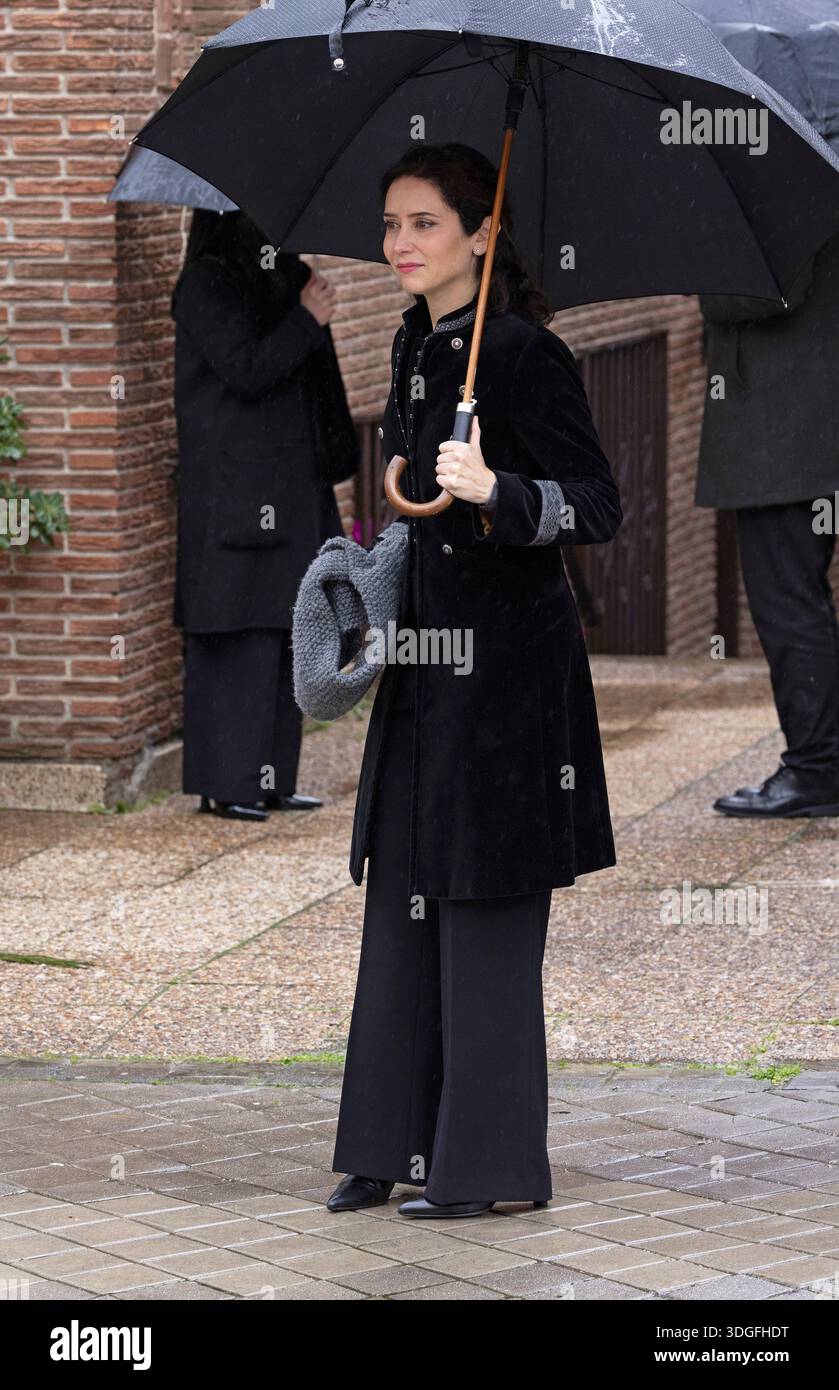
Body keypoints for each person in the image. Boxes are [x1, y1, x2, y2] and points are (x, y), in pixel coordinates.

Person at [326, 143, 623, 1218]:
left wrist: (498, 488)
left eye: (423, 224)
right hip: (422, 672)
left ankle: (486, 1168)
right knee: (402, 897)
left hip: (506, 686)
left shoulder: (522, 354)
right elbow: (411, 514)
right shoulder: (417, 346)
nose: (398, 244)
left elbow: (595, 503)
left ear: (480, 233)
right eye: (391, 224)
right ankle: (387, 1141)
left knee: (485, 909)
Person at [170, 211, 359, 820]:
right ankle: (226, 783)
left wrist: (309, 314)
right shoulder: (205, 283)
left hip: (292, 482)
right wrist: (305, 319)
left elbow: (309, 377)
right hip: (233, 489)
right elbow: (246, 370)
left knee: (288, 628)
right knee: (236, 633)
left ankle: (271, 778)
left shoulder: (285, 275)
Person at [696, 230, 839, 818]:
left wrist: (696, 266)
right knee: (799, 598)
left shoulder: (799, 169)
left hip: (789, 430)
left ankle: (817, 769)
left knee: (789, 603)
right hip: (803, 425)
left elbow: (758, 294)